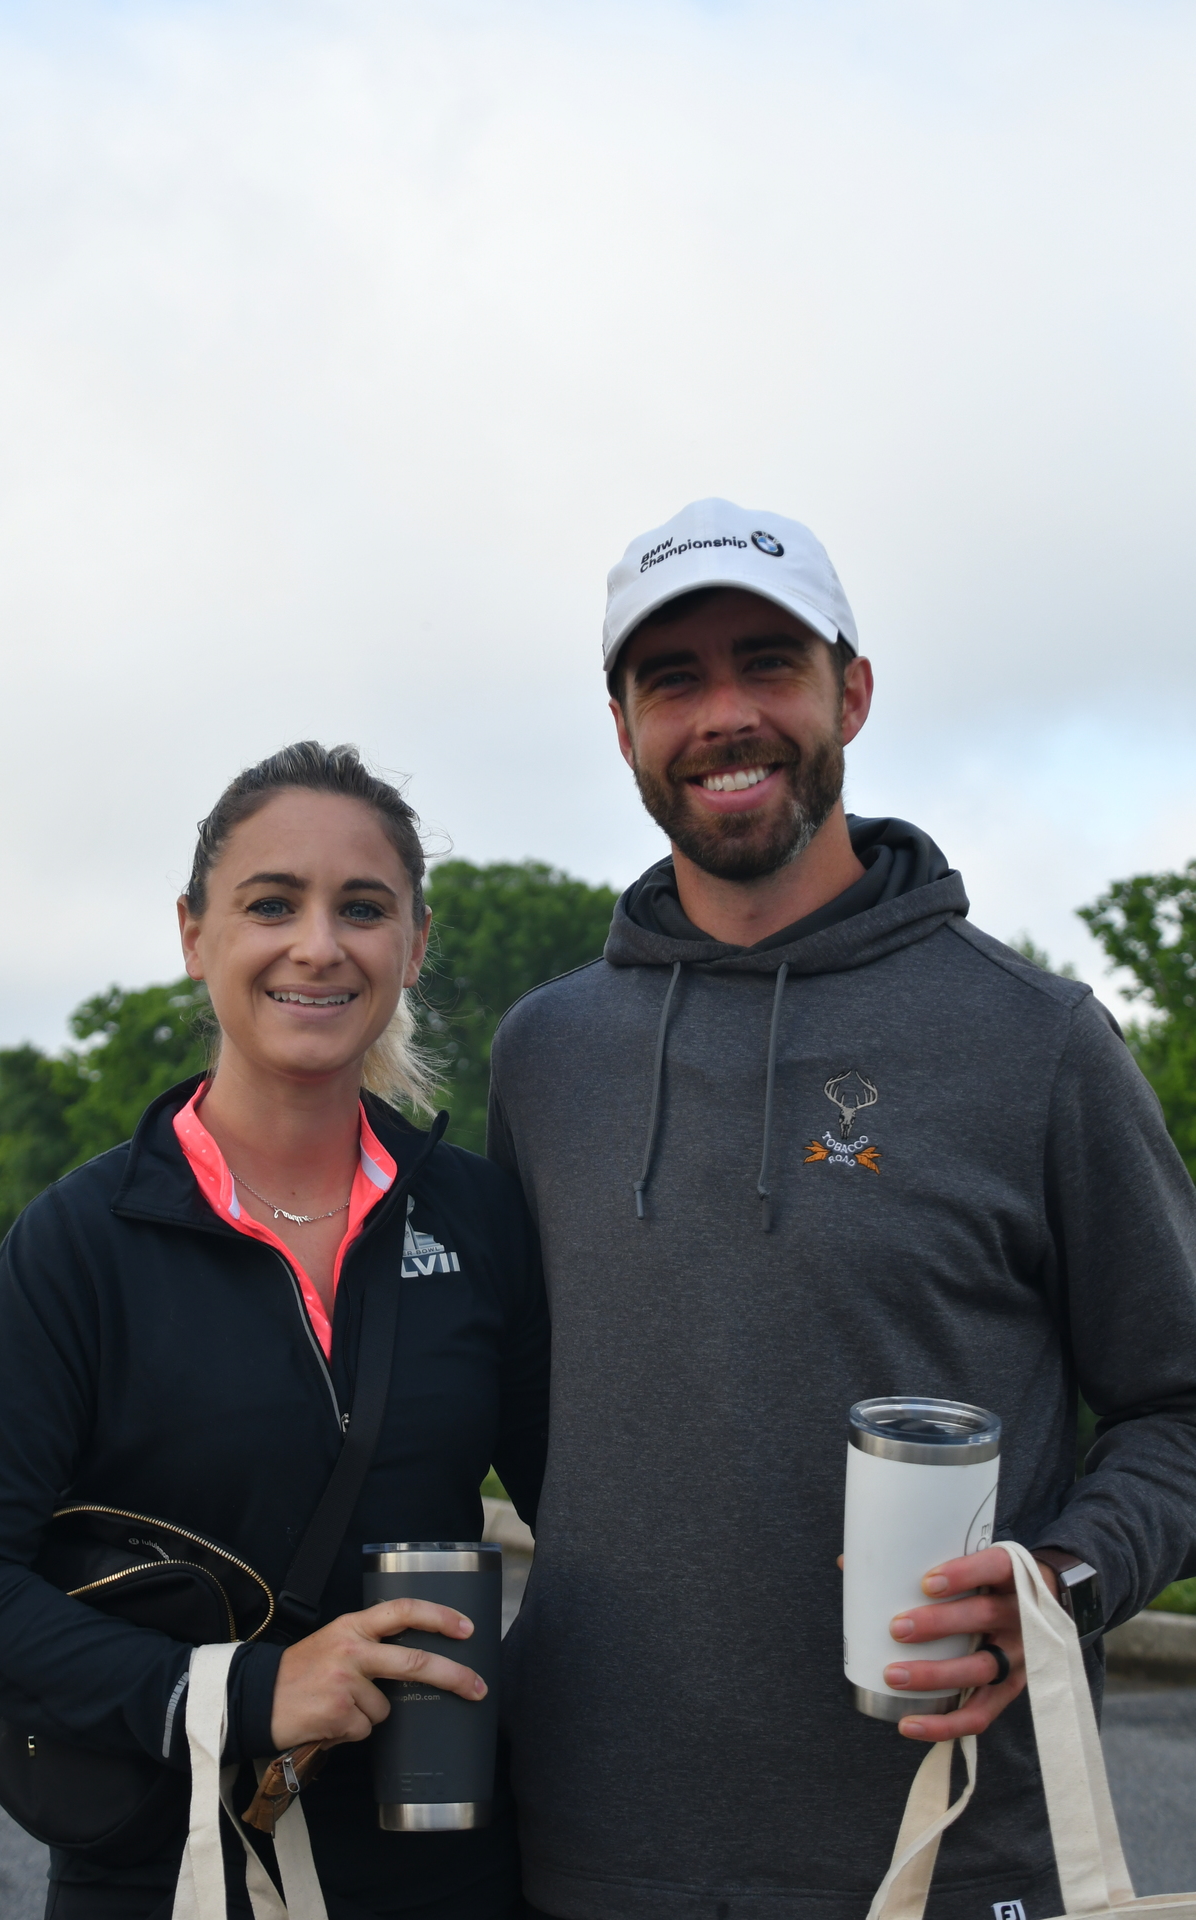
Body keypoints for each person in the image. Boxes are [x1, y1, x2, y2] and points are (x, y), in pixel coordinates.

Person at [489, 499, 1196, 1920]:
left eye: (770, 664)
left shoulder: (1038, 1042)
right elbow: (526, 1413)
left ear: (852, 693)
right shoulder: (545, 1057)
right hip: (591, 1853)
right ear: (621, 723)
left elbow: (1180, 1405)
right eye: (673, 680)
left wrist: (1059, 1577)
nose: (725, 716)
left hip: (948, 1850)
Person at [0, 742, 549, 1920]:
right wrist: (243, 1691)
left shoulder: (478, 1216)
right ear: (193, 933)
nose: (317, 944)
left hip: (445, 1872)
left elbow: (595, 1517)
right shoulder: (82, 1241)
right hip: (163, 1873)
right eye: (271, 903)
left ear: (411, 946)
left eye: (361, 908)